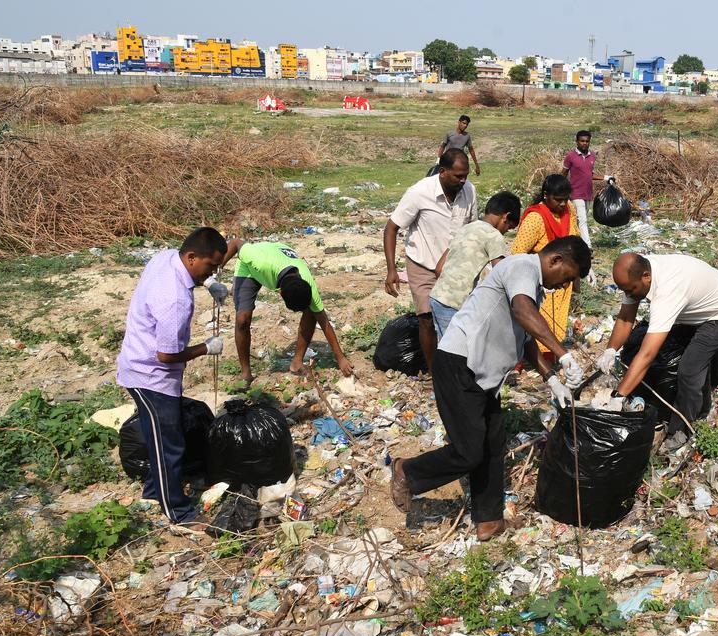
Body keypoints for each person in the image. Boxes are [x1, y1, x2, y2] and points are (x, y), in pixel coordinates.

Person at [389, 236, 592, 541]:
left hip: (484, 377)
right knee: (469, 452)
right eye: (568, 277)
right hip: (460, 364)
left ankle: (489, 521)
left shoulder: (532, 288)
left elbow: (526, 340)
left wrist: (552, 379)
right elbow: (523, 312)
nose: (565, 286)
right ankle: (408, 470)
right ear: (555, 261)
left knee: (492, 446)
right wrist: (563, 354)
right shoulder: (522, 266)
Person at [116, 226, 228, 531]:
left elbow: (195, 268)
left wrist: (210, 283)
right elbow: (166, 355)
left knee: (164, 436)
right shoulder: (175, 300)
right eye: (210, 268)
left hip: (145, 365)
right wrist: (206, 347)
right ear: (192, 257)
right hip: (148, 375)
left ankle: (154, 492)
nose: (211, 273)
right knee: (170, 445)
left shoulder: (167, 257)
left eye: (217, 268)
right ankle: (177, 511)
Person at [596, 252, 718, 453]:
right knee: (695, 350)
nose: (629, 295)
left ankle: (684, 428)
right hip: (697, 308)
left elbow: (648, 355)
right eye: (625, 290)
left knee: (689, 369)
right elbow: (625, 319)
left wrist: (619, 395)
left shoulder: (668, 290)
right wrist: (610, 350)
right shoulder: (636, 275)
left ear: (646, 277)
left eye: (631, 290)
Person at [383, 148, 478, 370]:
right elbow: (391, 227)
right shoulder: (419, 192)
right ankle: (435, 372)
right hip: (423, 264)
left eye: (466, 175)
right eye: (458, 176)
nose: (463, 180)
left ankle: (460, 366)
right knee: (426, 317)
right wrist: (391, 270)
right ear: (443, 172)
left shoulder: (470, 191)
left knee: (458, 317)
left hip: (456, 266)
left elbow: (472, 229)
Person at [222, 240, 354, 387]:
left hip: (282, 254)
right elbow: (235, 243)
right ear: (280, 293)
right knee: (242, 320)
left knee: (312, 311)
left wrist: (340, 358)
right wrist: (215, 270)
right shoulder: (257, 259)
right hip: (250, 269)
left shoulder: (307, 283)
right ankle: (246, 373)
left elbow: (323, 321)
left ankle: (297, 363)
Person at [429, 191, 522, 338]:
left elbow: (439, 268)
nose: (505, 232)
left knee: (444, 348)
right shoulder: (494, 235)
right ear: (506, 217)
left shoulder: (466, 228)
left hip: (437, 297)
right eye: (508, 227)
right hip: (456, 304)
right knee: (457, 353)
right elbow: (502, 274)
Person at [511, 174, 580, 357]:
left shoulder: (569, 210)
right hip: (543, 281)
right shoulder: (536, 218)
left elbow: (575, 237)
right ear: (545, 195)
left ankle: (552, 357)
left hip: (563, 282)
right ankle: (533, 358)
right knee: (539, 321)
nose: (563, 204)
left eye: (566, 199)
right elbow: (518, 252)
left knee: (557, 321)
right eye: (558, 200)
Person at [560, 130, 610, 256]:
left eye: (587, 141)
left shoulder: (592, 156)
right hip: (575, 193)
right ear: (577, 141)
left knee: (579, 221)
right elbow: (564, 173)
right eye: (582, 141)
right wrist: (560, 188)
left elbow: (589, 174)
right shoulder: (571, 156)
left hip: (588, 193)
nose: (584, 143)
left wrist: (605, 177)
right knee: (582, 220)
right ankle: (587, 248)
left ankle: (571, 243)